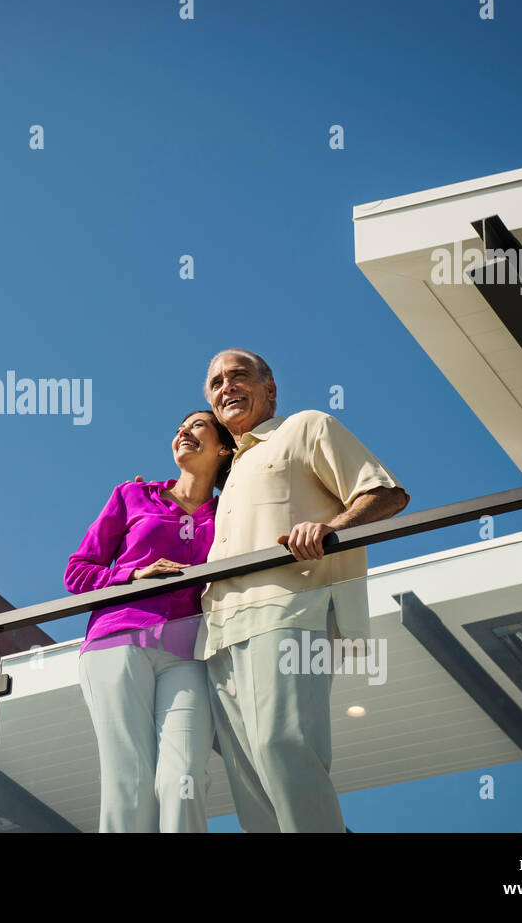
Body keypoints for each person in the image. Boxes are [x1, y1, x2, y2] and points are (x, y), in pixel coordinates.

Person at [199, 348, 409, 832]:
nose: (226, 386)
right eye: (216, 383)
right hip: (216, 634)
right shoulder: (228, 477)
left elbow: (386, 493)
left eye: (238, 376)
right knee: (249, 778)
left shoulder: (306, 426)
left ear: (269, 389)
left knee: (282, 745)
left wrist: (328, 527)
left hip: (292, 610)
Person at [65, 410, 235, 832]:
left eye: (198, 426)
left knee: (185, 780)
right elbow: (78, 573)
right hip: (118, 640)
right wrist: (133, 575)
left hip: (191, 653)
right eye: (179, 426)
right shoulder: (131, 496)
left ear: (223, 448)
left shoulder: (230, 513)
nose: (183, 431)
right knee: (130, 779)